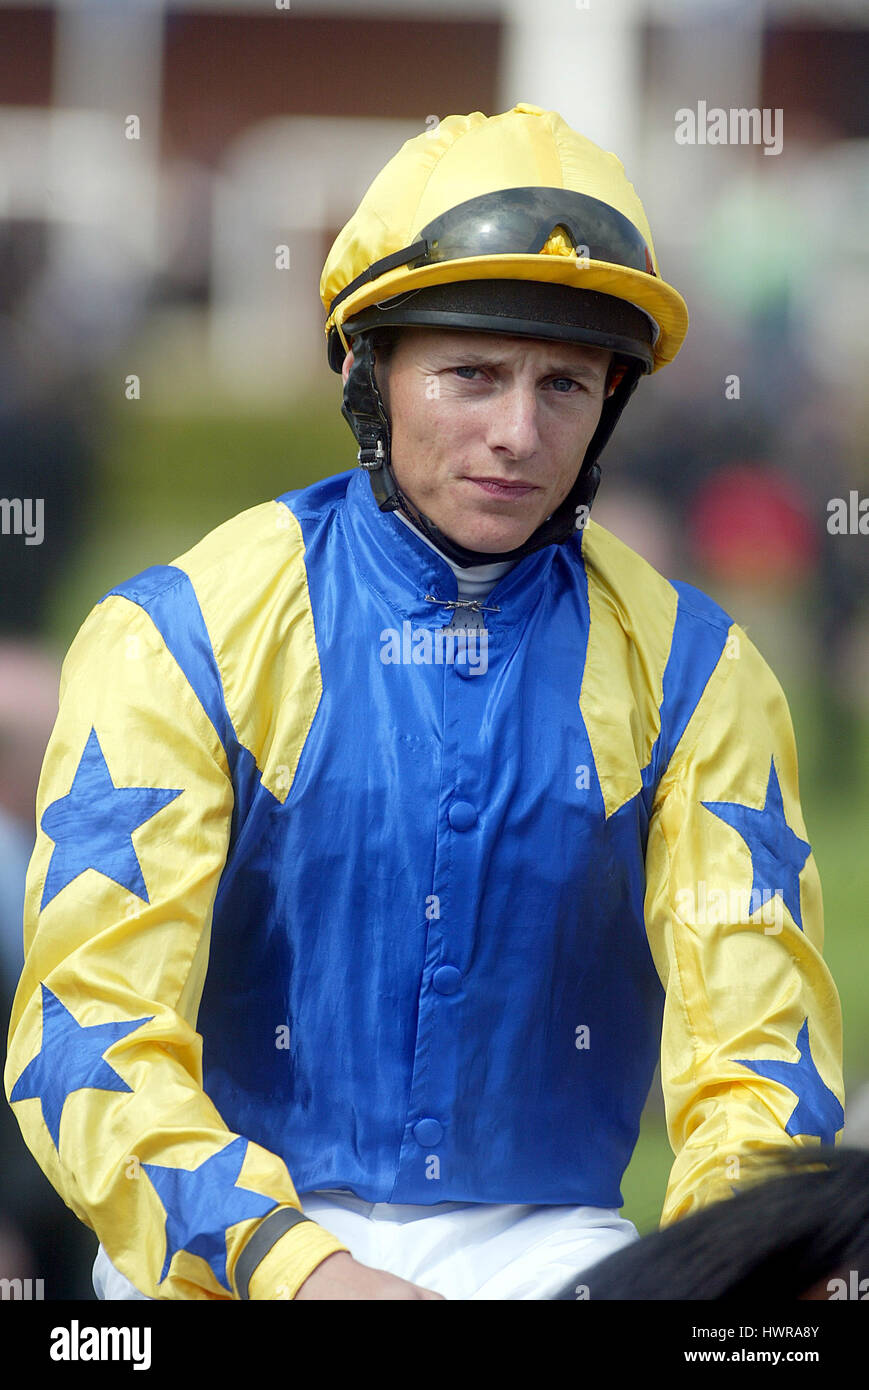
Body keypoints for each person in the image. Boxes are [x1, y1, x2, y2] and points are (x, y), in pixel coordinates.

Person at [4, 103, 845, 1301]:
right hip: (225, 1242)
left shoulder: (702, 675)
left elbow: (756, 1058)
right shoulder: (177, 633)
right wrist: (305, 1270)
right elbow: (85, 1027)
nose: (517, 432)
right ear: (364, 368)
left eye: (564, 385)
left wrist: (717, 1275)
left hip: (551, 1249)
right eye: (470, 373)